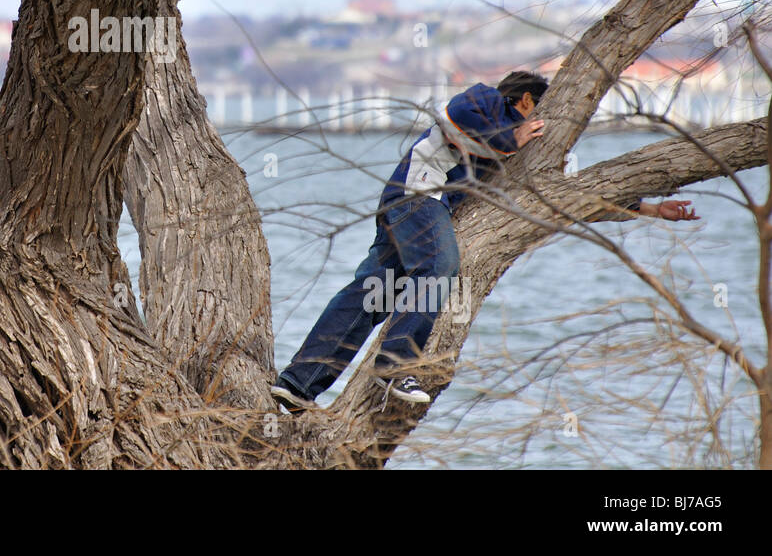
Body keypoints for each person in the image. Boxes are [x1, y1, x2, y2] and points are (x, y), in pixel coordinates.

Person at [271, 70, 698, 412]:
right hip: (418, 196)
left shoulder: (518, 145)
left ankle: (298, 385)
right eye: (538, 112)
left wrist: (645, 210)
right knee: (439, 267)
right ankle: (396, 365)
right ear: (527, 100)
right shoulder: (485, 100)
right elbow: (455, 117)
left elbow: (562, 198)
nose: (539, 125)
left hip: (412, 209)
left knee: (367, 298)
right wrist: (510, 138)